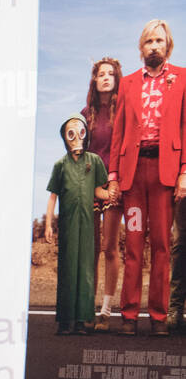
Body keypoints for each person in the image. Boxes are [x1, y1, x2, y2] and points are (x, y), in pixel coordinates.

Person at [106, 19, 186, 335]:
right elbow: (119, 132)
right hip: (134, 175)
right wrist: (114, 176)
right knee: (135, 243)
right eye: (149, 41)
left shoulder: (181, 79)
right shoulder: (127, 84)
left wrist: (184, 173)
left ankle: (158, 316)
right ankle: (128, 315)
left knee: (163, 245)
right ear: (141, 48)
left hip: (165, 176)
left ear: (168, 46)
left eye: (160, 41)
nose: (154, 46)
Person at [45, 116, 110, 334]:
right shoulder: (60, 165)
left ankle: (82, 320)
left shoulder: (94, 161)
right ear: (65, 137)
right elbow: (53, 196)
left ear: (85, 133)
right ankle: (65, 321)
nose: (76, 138)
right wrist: (48, 224)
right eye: (70, 133)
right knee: (67, 269)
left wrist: (111, 194)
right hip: (67, 225)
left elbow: (98, 191)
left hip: (87, 224)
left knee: (85, 270)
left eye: (80, 132)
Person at [81, 58, 121, 330]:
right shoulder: (86, 113)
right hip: (90, 187)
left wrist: (114, 184)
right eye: (100, 74)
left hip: (115, 185)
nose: (105, 78)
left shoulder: (124, 111)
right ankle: (88, 307)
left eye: (110, 74)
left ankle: (106, 310)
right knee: (91, 250)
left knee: (109, 247)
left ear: (117, 79)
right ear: (94, 81)